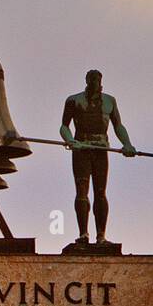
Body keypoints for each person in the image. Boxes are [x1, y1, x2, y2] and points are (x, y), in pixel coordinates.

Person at [60, 69, 135, 245]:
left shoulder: (109, 101)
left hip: (101, 150)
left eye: (97, 80)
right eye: (92, 80)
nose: (95, 83)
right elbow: (64, 126)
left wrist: (127, 144)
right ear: (86, 81)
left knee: (100, 192)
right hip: (82, 149)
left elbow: (118, 126)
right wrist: (70, 140)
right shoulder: (74, 100)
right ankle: (84, 234)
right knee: (82, 191)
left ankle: (101, 235)